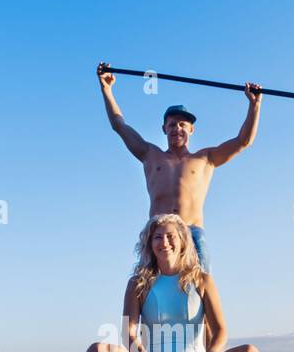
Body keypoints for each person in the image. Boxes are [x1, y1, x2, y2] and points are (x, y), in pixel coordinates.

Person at [97, 61, 261, 273]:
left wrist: (254, 105)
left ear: (191, 129)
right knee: (144, 286)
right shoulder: (150, 154)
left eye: (183, 125)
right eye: (172, 124)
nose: (177, 129)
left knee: (199, 289)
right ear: (164, 128)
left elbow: (243, 141)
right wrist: (107, 89)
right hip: (158, 231)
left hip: (191, 231)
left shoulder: (206, 158)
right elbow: (120, 126)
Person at [86, 214, 259, 352]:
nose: (164, 242)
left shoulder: (202, 280)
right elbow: (128, 332)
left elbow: (220, 330)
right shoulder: (138, 283)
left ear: (183, 241)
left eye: (171, 236)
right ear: (150, 245)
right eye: (157, 237)